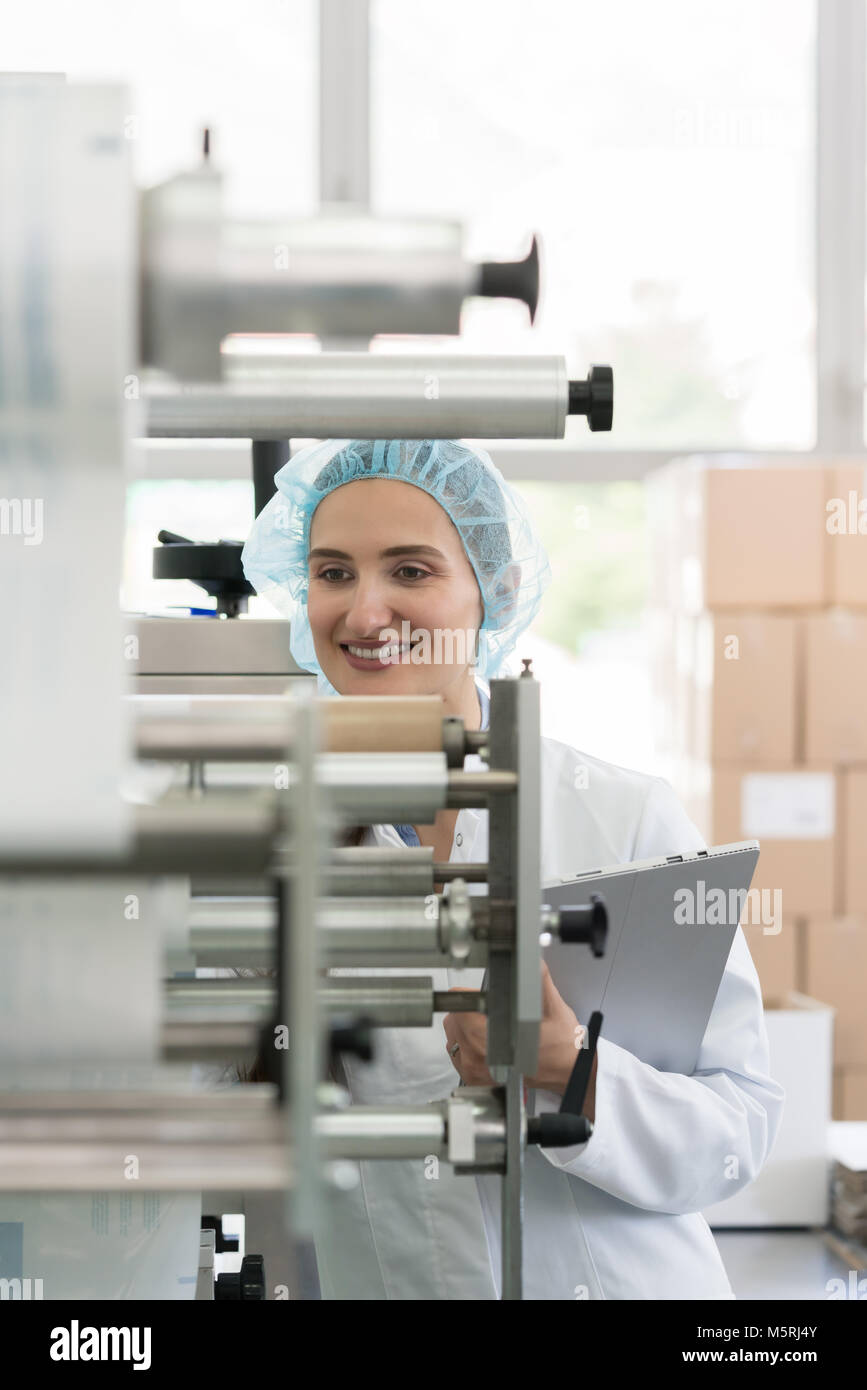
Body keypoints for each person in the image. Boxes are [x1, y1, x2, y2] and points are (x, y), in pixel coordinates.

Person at [241, 438, 784, 1301]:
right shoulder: (264, 845)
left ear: (490, 592)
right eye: (332, 572)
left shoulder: (620, 817)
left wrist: (567, 1068)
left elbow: (738, 1129)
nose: (364, 613)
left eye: (410, 571)